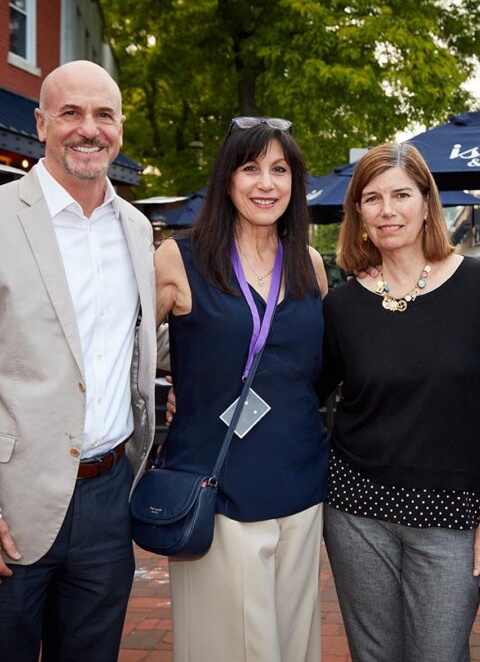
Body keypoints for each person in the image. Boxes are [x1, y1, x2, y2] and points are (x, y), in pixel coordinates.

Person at [0, 60, 157, 661]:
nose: (88, 128)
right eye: (71, 112)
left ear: (120, 128)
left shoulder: (133, 228)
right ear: (41, 123)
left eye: (104, 114)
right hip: (8, 502)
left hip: (108, 500)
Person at [319, 142, 480, 662]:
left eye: (402, 194)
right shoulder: (341, 304)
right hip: (356, 513)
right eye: (373, 198)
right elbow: (305, 392)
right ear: (357, 211)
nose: (388, 210)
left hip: (452, 518)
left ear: (428, 203)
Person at [153, 117, 329, 661]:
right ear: (226, 179)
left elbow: (314, 374)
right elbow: (124, 357)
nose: (266, 183)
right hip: (215, 489)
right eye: (250, 168)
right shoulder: (177, 259)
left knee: (294, 645)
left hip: (300, 486)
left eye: (279, 170)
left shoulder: (312, 266)